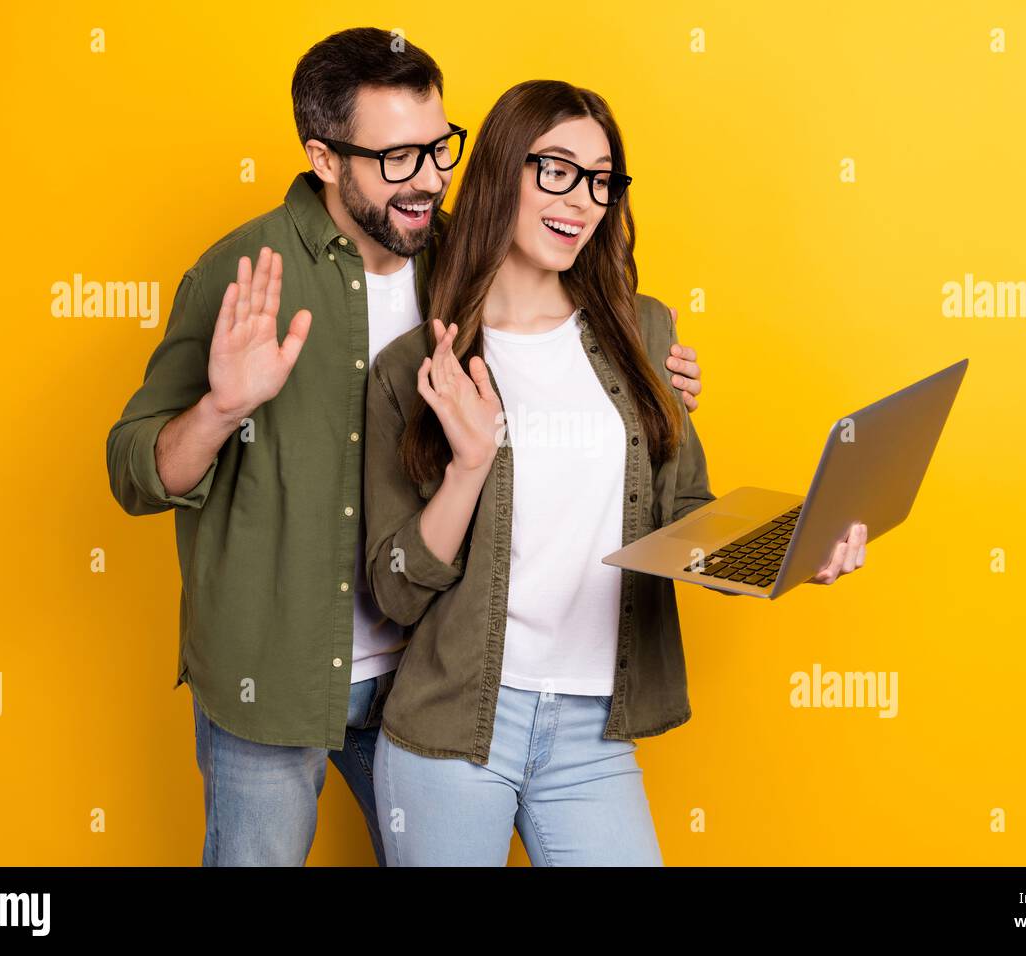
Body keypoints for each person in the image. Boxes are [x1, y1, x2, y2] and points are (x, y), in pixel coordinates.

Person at [104, 29, 704, 866]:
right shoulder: (242, 271)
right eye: (397, 158)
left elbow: (573, 341)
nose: (428, 179)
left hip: (433, 673)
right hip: (277, 675)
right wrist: (220, 407)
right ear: (323, 155)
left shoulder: (464, 257)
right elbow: (135, 471)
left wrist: (648, 386)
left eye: (438, 148)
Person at [363, 79, 868, 866]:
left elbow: (688, 515)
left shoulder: (645, 331)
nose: (583, 200)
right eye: (557, 169)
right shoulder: (416, 368)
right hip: (453, 732)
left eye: (602, 179)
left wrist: (793, 550)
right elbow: (393, 588)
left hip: (591, 735)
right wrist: (468, 467)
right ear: (502, 171)